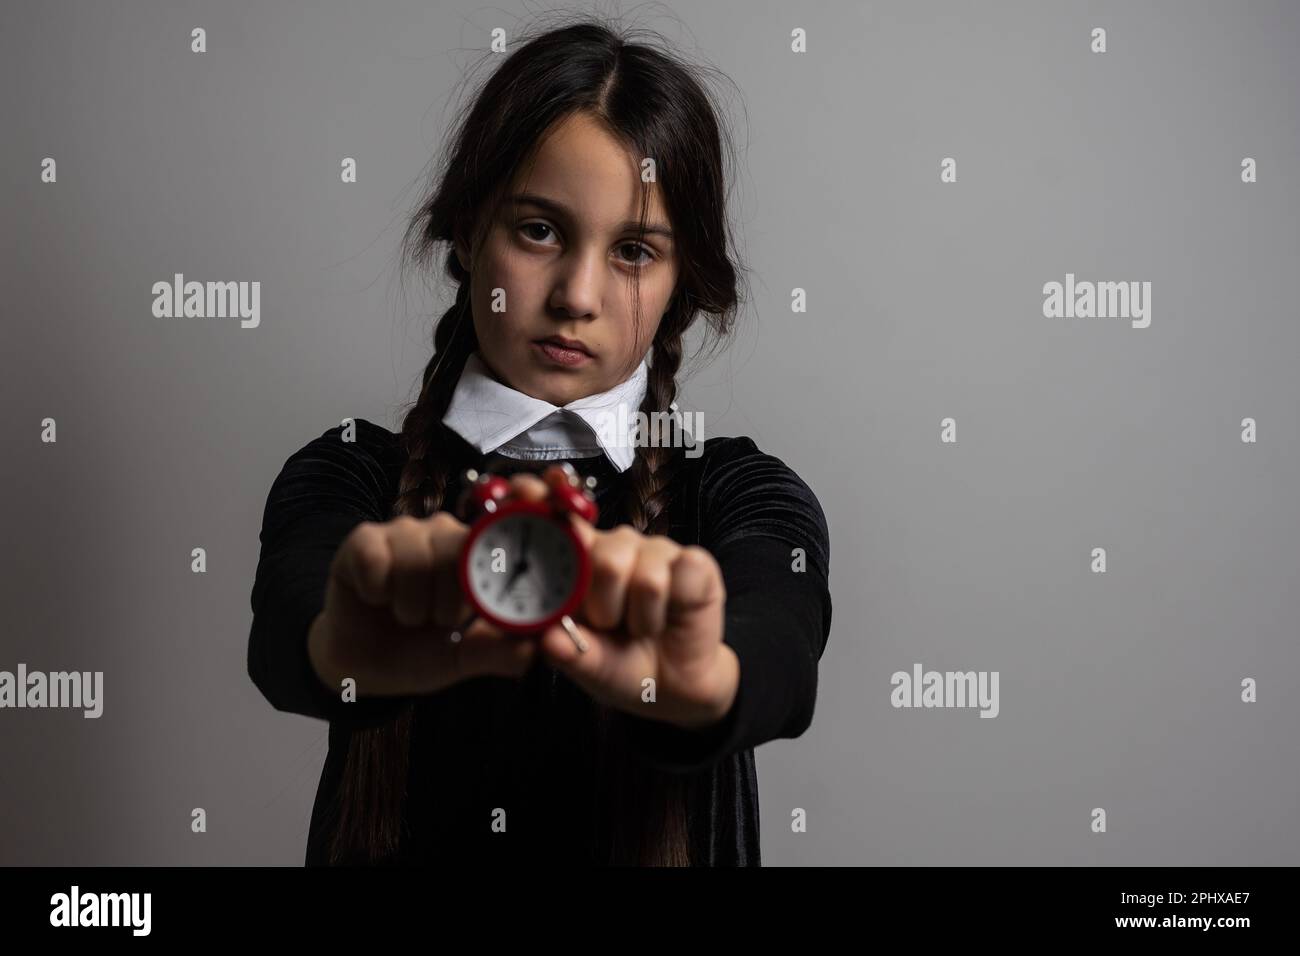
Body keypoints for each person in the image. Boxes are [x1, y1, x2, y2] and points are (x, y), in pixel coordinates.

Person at [247, 17, 832, 866]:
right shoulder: (350, 471)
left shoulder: (738, 492)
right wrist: (342, 648)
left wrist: (709, 680)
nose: (576, 295)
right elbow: (293, 620)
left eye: (633, 250)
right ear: (467, 229)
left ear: (682, 284)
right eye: (539, 230)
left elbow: (780, 635)